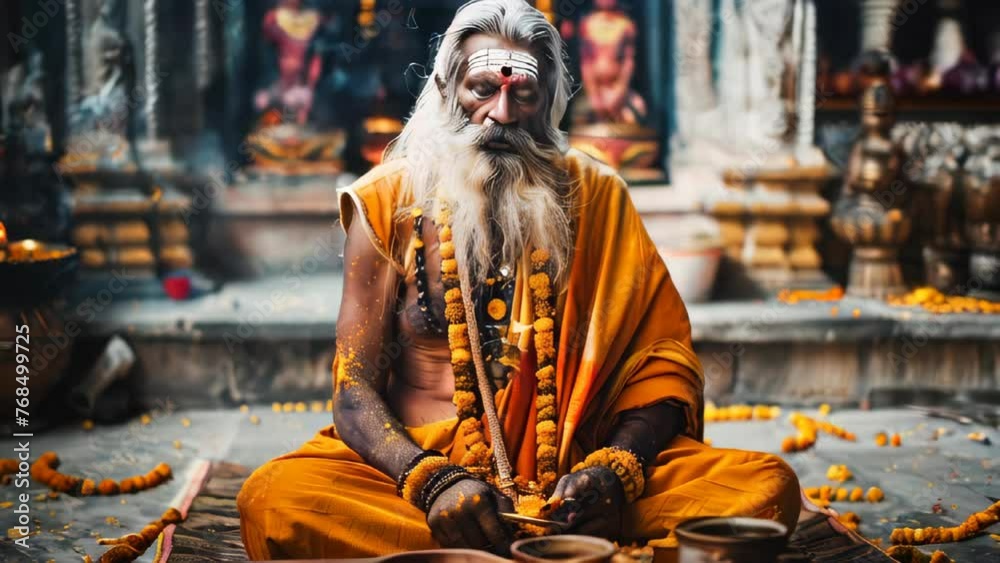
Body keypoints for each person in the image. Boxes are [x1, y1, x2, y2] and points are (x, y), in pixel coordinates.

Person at [237, 1, 801, 560]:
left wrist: (615, 471)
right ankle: (553, 550)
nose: (501, 113)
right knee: (274, 500)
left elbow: (660, 367)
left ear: (548, 101)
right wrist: (432, 482)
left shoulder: (597, 197)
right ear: (446, 92)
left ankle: (500, 547)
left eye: (522, 94)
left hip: (573, 479)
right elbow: (353, 392)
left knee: (766, 486)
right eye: (482, 89)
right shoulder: (387, 202)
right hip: (421, 478)